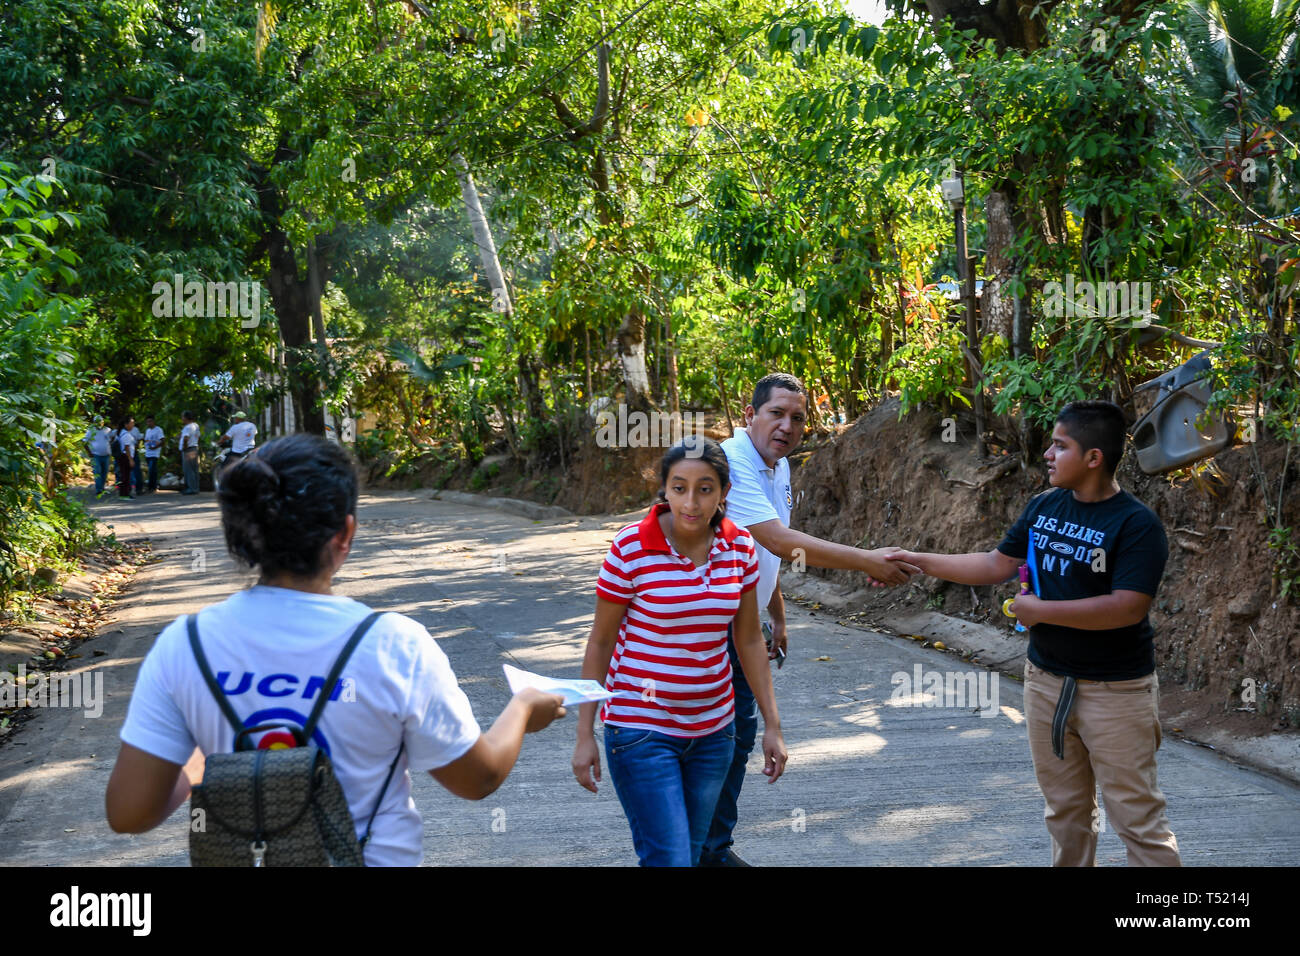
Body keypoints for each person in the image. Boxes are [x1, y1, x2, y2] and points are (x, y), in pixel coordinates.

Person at [105, 434, 566, 865]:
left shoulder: (183, 645)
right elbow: (477, 779)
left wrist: (212, 755)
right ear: (345, 533)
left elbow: (129, 813)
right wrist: (524, 707)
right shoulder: (394, 644)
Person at [885, 400, 1181, 866]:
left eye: (1060, 445)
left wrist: (1041, 611)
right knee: (1065, 814)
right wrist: (918, 560)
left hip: (1116, 692)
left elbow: (1126, 608)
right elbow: (995, 563)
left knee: (1137, 821)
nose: (1047, 452)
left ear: (1093, 458)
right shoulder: (1044, 506)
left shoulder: (1136, 524)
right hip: (1046, 684)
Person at [699, 372, 919, 867]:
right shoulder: (733, 462)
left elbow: (762, 551)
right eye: (776, 413)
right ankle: (702, 850)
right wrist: (866, 560)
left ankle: (711, 848)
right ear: (748, 414)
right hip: (709, 631)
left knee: (736, 737)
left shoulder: (776, 467)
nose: (787, 425)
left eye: (798, 418)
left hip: (743, 625)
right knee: (719, 740)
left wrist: (776, 615)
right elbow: (778, 540)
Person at [572, 437, 787, 867]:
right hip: (641, 729)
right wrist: (584, 734)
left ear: (724, 493)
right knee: (670, 858)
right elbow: (600, 642)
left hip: (714, 732)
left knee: (688, 856)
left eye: (705, 488)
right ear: (664, 489)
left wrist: (772, 725)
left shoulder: (739, 547)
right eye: (679, 487)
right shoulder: (631, 548)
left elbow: (746, 641)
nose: (691, 501)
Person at [83, 418, 112, 498]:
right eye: (97, 422)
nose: (99, 423)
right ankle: (99, 490)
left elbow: (111, 440)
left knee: (104, 472)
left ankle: (102, 488)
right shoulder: (90, 430)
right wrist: (89, 453)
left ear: (103, 422)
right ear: (94, 422)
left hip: (106, 455)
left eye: (101, 421)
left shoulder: (107, 430)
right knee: (97, 472)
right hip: (96, 455)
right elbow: (84, 442)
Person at [115, 416, 137, 499]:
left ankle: (125, 493)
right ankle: (124, 494)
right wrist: (131, 459)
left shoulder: (121, 433)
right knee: (125, 476)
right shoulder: (126, 434)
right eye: (131, 423)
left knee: (125, 476)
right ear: (126, 424)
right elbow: (126, 447)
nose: (133, 425)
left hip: (124, 457)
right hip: (126, 457)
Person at [179, 411, 199, 495]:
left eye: (182, 417)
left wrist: (184, 446)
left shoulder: (188, 427)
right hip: (194, 448)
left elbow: (186, 438)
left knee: (188, 470)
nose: (182, 419)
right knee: (194, 469)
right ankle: (195, 488)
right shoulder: (195, 425)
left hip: (188, 449)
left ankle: (191, 489)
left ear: (186, 418)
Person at [142, 416, 165, 493]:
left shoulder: (158, 430)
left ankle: (152, 486)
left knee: (152, 469)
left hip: (154, 453)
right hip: (148, 452)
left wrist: (155, 447)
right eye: (148, 422)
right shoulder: (147, 430)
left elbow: (163, 441)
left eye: (150, 421)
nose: (149, 423)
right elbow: (146, 440)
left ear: (153, 421)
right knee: (151, 470)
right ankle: (152, 486)